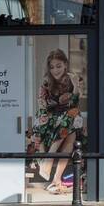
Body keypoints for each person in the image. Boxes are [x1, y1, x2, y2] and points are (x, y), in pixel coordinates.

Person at [33, 48, 80, 196]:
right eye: (52, 67)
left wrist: (76, 86)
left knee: (71, 131)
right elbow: (43, 106)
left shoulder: (73, 79)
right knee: (69, 121)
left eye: (58, 66)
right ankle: (53, 173)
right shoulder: (46, 82)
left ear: (65, 64)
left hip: (66, 121)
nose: (55, 70)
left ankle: (55, 179)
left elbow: (75, 103)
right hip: (48, 121)